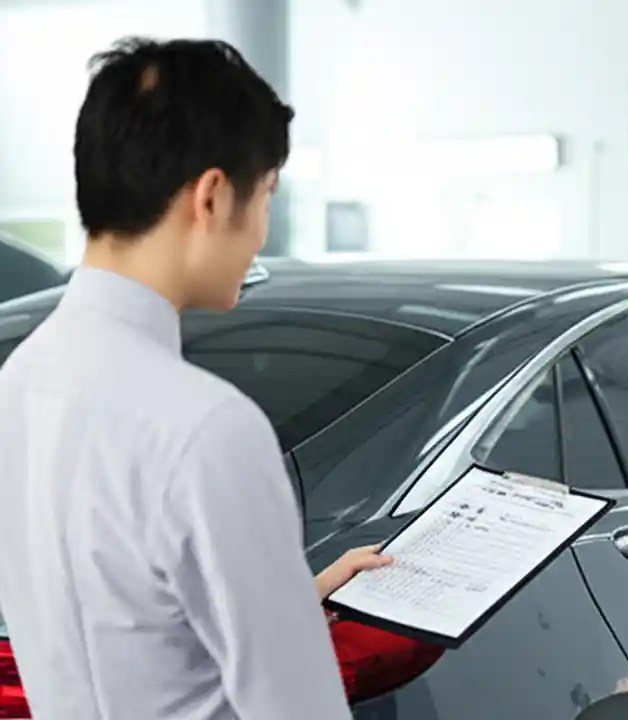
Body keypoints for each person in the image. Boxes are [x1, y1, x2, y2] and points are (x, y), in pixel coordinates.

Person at [0, 37, 378, 719]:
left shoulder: (19, 382)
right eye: (265, 195)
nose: (261, 231)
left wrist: (285, 600)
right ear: (212, 196)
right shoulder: (205, 427)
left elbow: (118, 620)